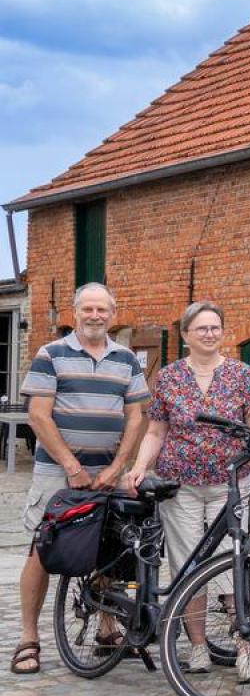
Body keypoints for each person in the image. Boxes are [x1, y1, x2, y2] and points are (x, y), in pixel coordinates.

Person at [123, 301, 250, 674]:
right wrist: (140, 467)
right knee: (189, 565)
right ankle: (198, 647)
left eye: (215, 328)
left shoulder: (241, 373)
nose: (209, 334)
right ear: (186, 335)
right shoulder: (170, 377)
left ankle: (244, 650)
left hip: (231, 484)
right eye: (201, 329)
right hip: (181, 485)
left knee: (231, 563)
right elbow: (156, 430)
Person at [12, 283, 148, 675]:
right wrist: (72, 466)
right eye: (87, 309)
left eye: (102, 310)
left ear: (113, 313)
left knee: (107, 548)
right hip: (58, 471)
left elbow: (136, 415)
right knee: (42, 547)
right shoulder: (50, 354)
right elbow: (39, 415)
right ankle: (28, 638)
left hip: (106, 471)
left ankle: (107, 630)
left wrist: (117, 467)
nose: (94, 316)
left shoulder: (125, 359)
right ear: (74, 312)